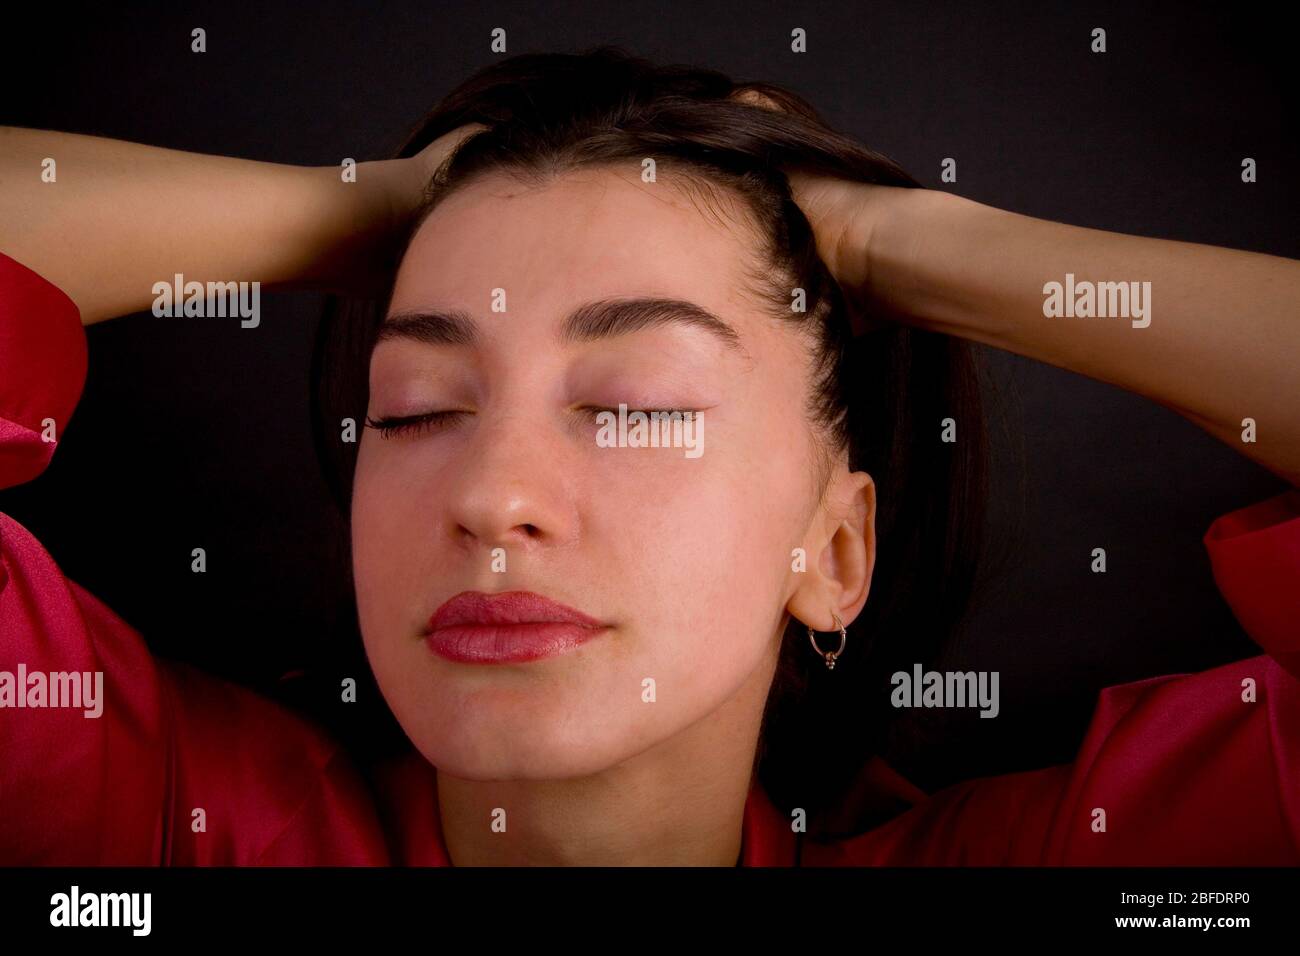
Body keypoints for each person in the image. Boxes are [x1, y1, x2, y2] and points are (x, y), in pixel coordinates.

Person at [1, 48, 1297, 866]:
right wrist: (371, 203)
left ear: (836, 551)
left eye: (634, 401)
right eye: (416, 407)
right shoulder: (145, 822)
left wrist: (899, 242)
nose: (492, 498)